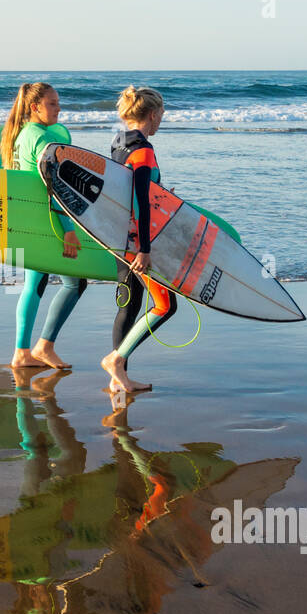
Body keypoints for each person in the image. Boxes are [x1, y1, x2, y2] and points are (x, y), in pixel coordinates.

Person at [0, 82, 86, 369]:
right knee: (63, 282)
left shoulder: (49, 133)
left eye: (58, 102)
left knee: (43, 282)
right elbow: (55, 187)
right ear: (35, 107)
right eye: (52, 103)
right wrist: (69, 229)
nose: (58, 107)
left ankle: (34, 349)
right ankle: (31, 350)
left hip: (38, 217)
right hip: (44, 219)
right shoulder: (35, 138)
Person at [101, 86, 176, 392]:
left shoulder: (119, 143)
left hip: (118, 236)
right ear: (153, 114)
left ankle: (119, 379)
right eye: (161, 117)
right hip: (136, 241)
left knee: (129, 306)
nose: (161, 123)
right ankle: (117, 361)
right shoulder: (143, 150)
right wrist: (144, 249)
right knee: (165, 305)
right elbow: (141, 202)